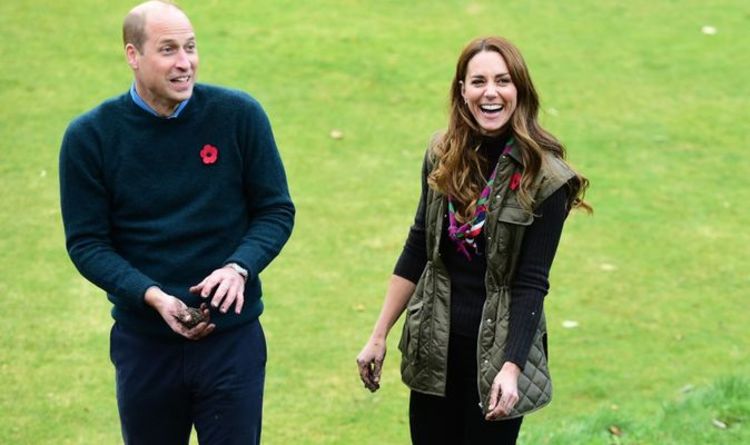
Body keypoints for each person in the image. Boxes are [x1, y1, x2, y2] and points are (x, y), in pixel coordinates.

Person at [59, 1, 294, 443]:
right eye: (168, 50)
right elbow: (87, 243)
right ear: (133, 54)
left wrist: (238, 267)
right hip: (145, 347)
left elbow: (275, 209)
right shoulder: (90, 138)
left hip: (232, 342)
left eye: (190, 47)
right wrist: (153, 297)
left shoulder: (238, 116)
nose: (185, 63)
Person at [356, 36, 590, 444]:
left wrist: (512, 367)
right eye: (478, 81)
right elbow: (418, 248)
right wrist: (378, 336)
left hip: (499, 357)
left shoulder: (547, 179)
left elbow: (531, 283)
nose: (491, 92)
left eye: (502, 80)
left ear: (519, 89)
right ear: (462, 92)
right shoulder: (442, 154)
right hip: (435, 344)